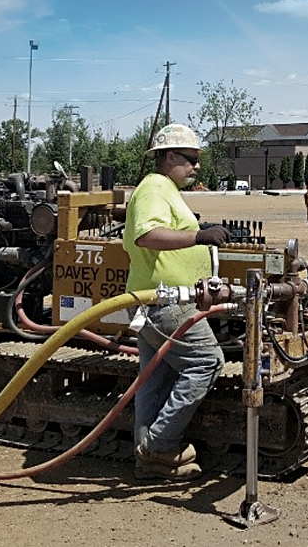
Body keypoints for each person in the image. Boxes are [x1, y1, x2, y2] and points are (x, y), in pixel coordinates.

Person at [123, 123, 231, 481]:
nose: (197, 166)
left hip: (155, 301)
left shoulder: (163, 188)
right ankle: (159, 445)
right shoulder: (155, 187)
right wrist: (199, 235)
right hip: (165, 302)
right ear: (169, 157)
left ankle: (149, 459)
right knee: (206, 361)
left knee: (155, 377)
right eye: (191, 159)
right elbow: (147, 235)